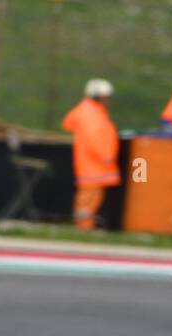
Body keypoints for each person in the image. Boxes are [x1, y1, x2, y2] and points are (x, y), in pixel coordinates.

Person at [60, 78, 120, 231]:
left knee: (92, 196)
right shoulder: (90, 114)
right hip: (93, 164)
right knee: (88, 198)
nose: (108, 101)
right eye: (105, 98)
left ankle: (85, 226)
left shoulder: (92, 112)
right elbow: (93, 137)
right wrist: (106, 155)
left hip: (94, 164)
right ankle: (84, 228)